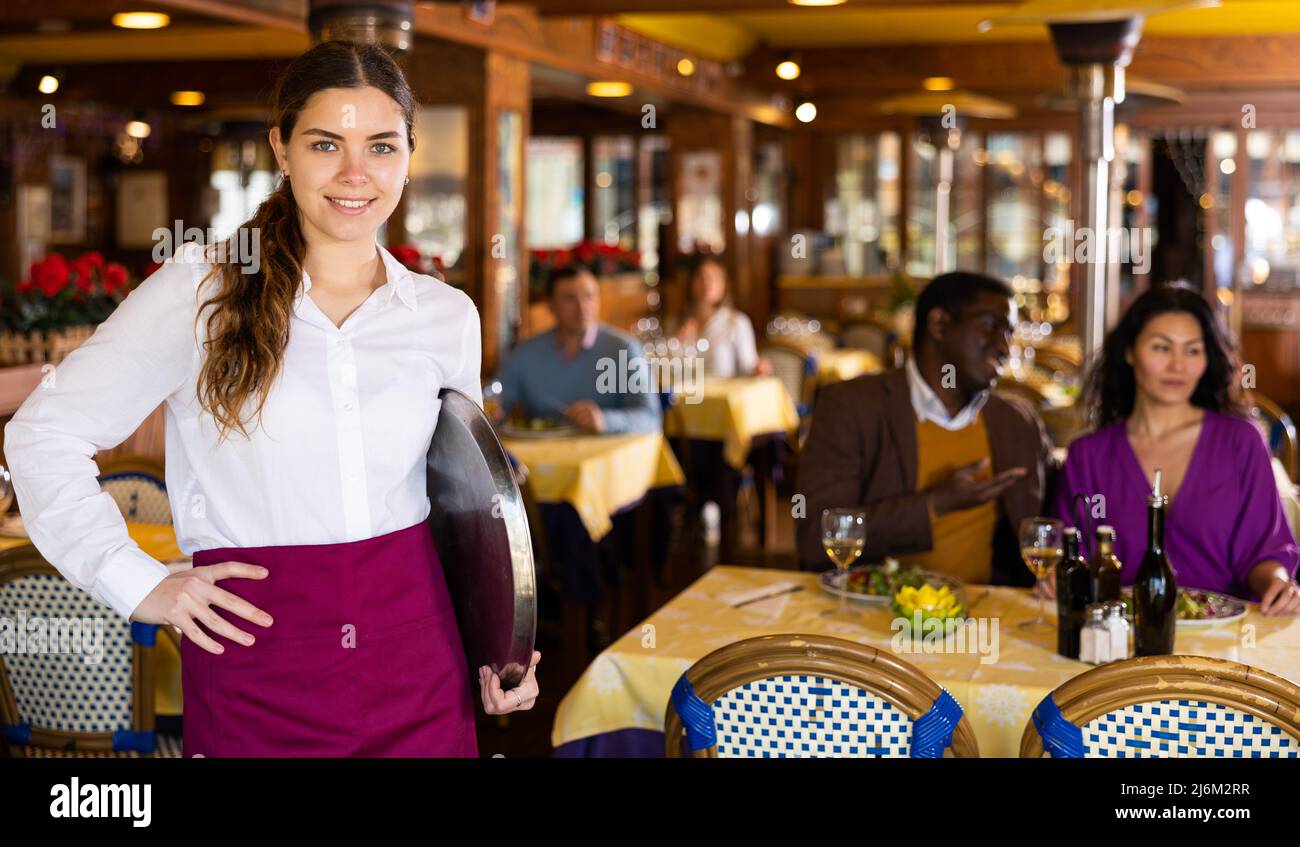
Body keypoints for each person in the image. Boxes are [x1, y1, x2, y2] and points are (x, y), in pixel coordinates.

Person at [4, 41, 540, 758]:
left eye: (381, 146)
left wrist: (497, 647)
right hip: (256, 663)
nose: (356, 173)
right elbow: (43, 433)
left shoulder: (446, 315)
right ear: (281, 150)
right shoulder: (201, 292)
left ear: (409, 154)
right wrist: (141, 584)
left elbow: (464, 506)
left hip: (424, 663)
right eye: (326, 143)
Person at [1053, 283, 1299, 613]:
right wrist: (1056, 577)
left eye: (1193, 350)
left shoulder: (1241, 442)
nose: (1178, 365)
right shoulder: (1089, 455)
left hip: (1221, 640)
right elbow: (1072, 554)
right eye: (1161, 347)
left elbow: (1263, 550)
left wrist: (1278, 584)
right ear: (1129, 351)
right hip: (1119, 642)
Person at [797, 271, 1056, 585]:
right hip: (874, 619)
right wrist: (935, 504)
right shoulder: (852, 408)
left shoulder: (1017, 422)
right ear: (939, 325)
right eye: (990, 327)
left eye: (1009, 333)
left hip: (987, 621)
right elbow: (815, 539)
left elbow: (1057, 521)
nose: (1004, 347)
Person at [494, 266, 661, 434]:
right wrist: (494, 414)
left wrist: (604, 420)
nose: (582, 306)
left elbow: (651, 419)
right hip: (541, 456)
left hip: (606, 456)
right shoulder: (524, 355)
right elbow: (497, 406)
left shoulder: (624, 349)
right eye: (569, 298)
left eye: (589, 296)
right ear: (550, 305)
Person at [672, 255, 770, 378]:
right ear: (691, 283)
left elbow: (749, 366)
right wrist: (676, 344)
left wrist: (759, 369)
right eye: (701, 277)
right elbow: (665, 372)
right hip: (687, 395)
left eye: (713, 278)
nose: (706, 283)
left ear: (724, 285)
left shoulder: (737, 322)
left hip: (723, 395)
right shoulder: (676, 323)